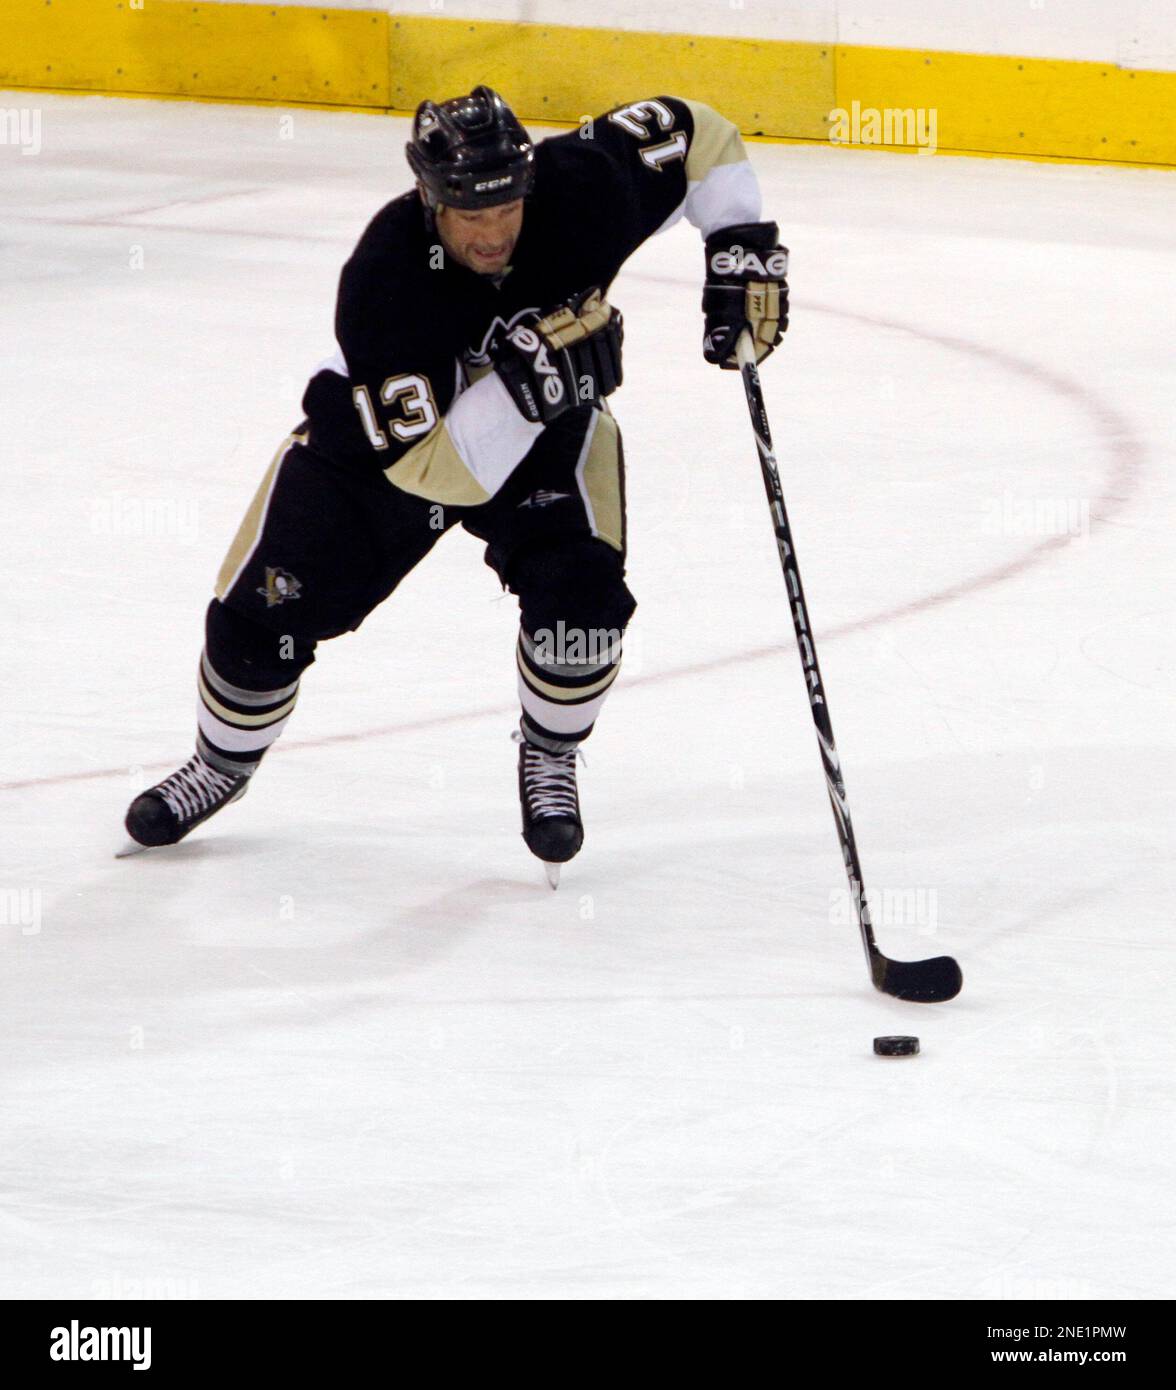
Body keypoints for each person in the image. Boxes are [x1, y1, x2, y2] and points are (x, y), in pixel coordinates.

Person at [121, 87, 788, 884]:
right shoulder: (383, 279)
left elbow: (695, 132)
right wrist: (523, 392)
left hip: (547, 436)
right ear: (429, 199)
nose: (493, 230)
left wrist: (738, 241)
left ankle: (548, 754)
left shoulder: (581, 189)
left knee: (583, 608)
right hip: (382, 453)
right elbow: (433, 472)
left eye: (506, 205)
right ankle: (221, 765)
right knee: (259, 618)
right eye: (469, 213)